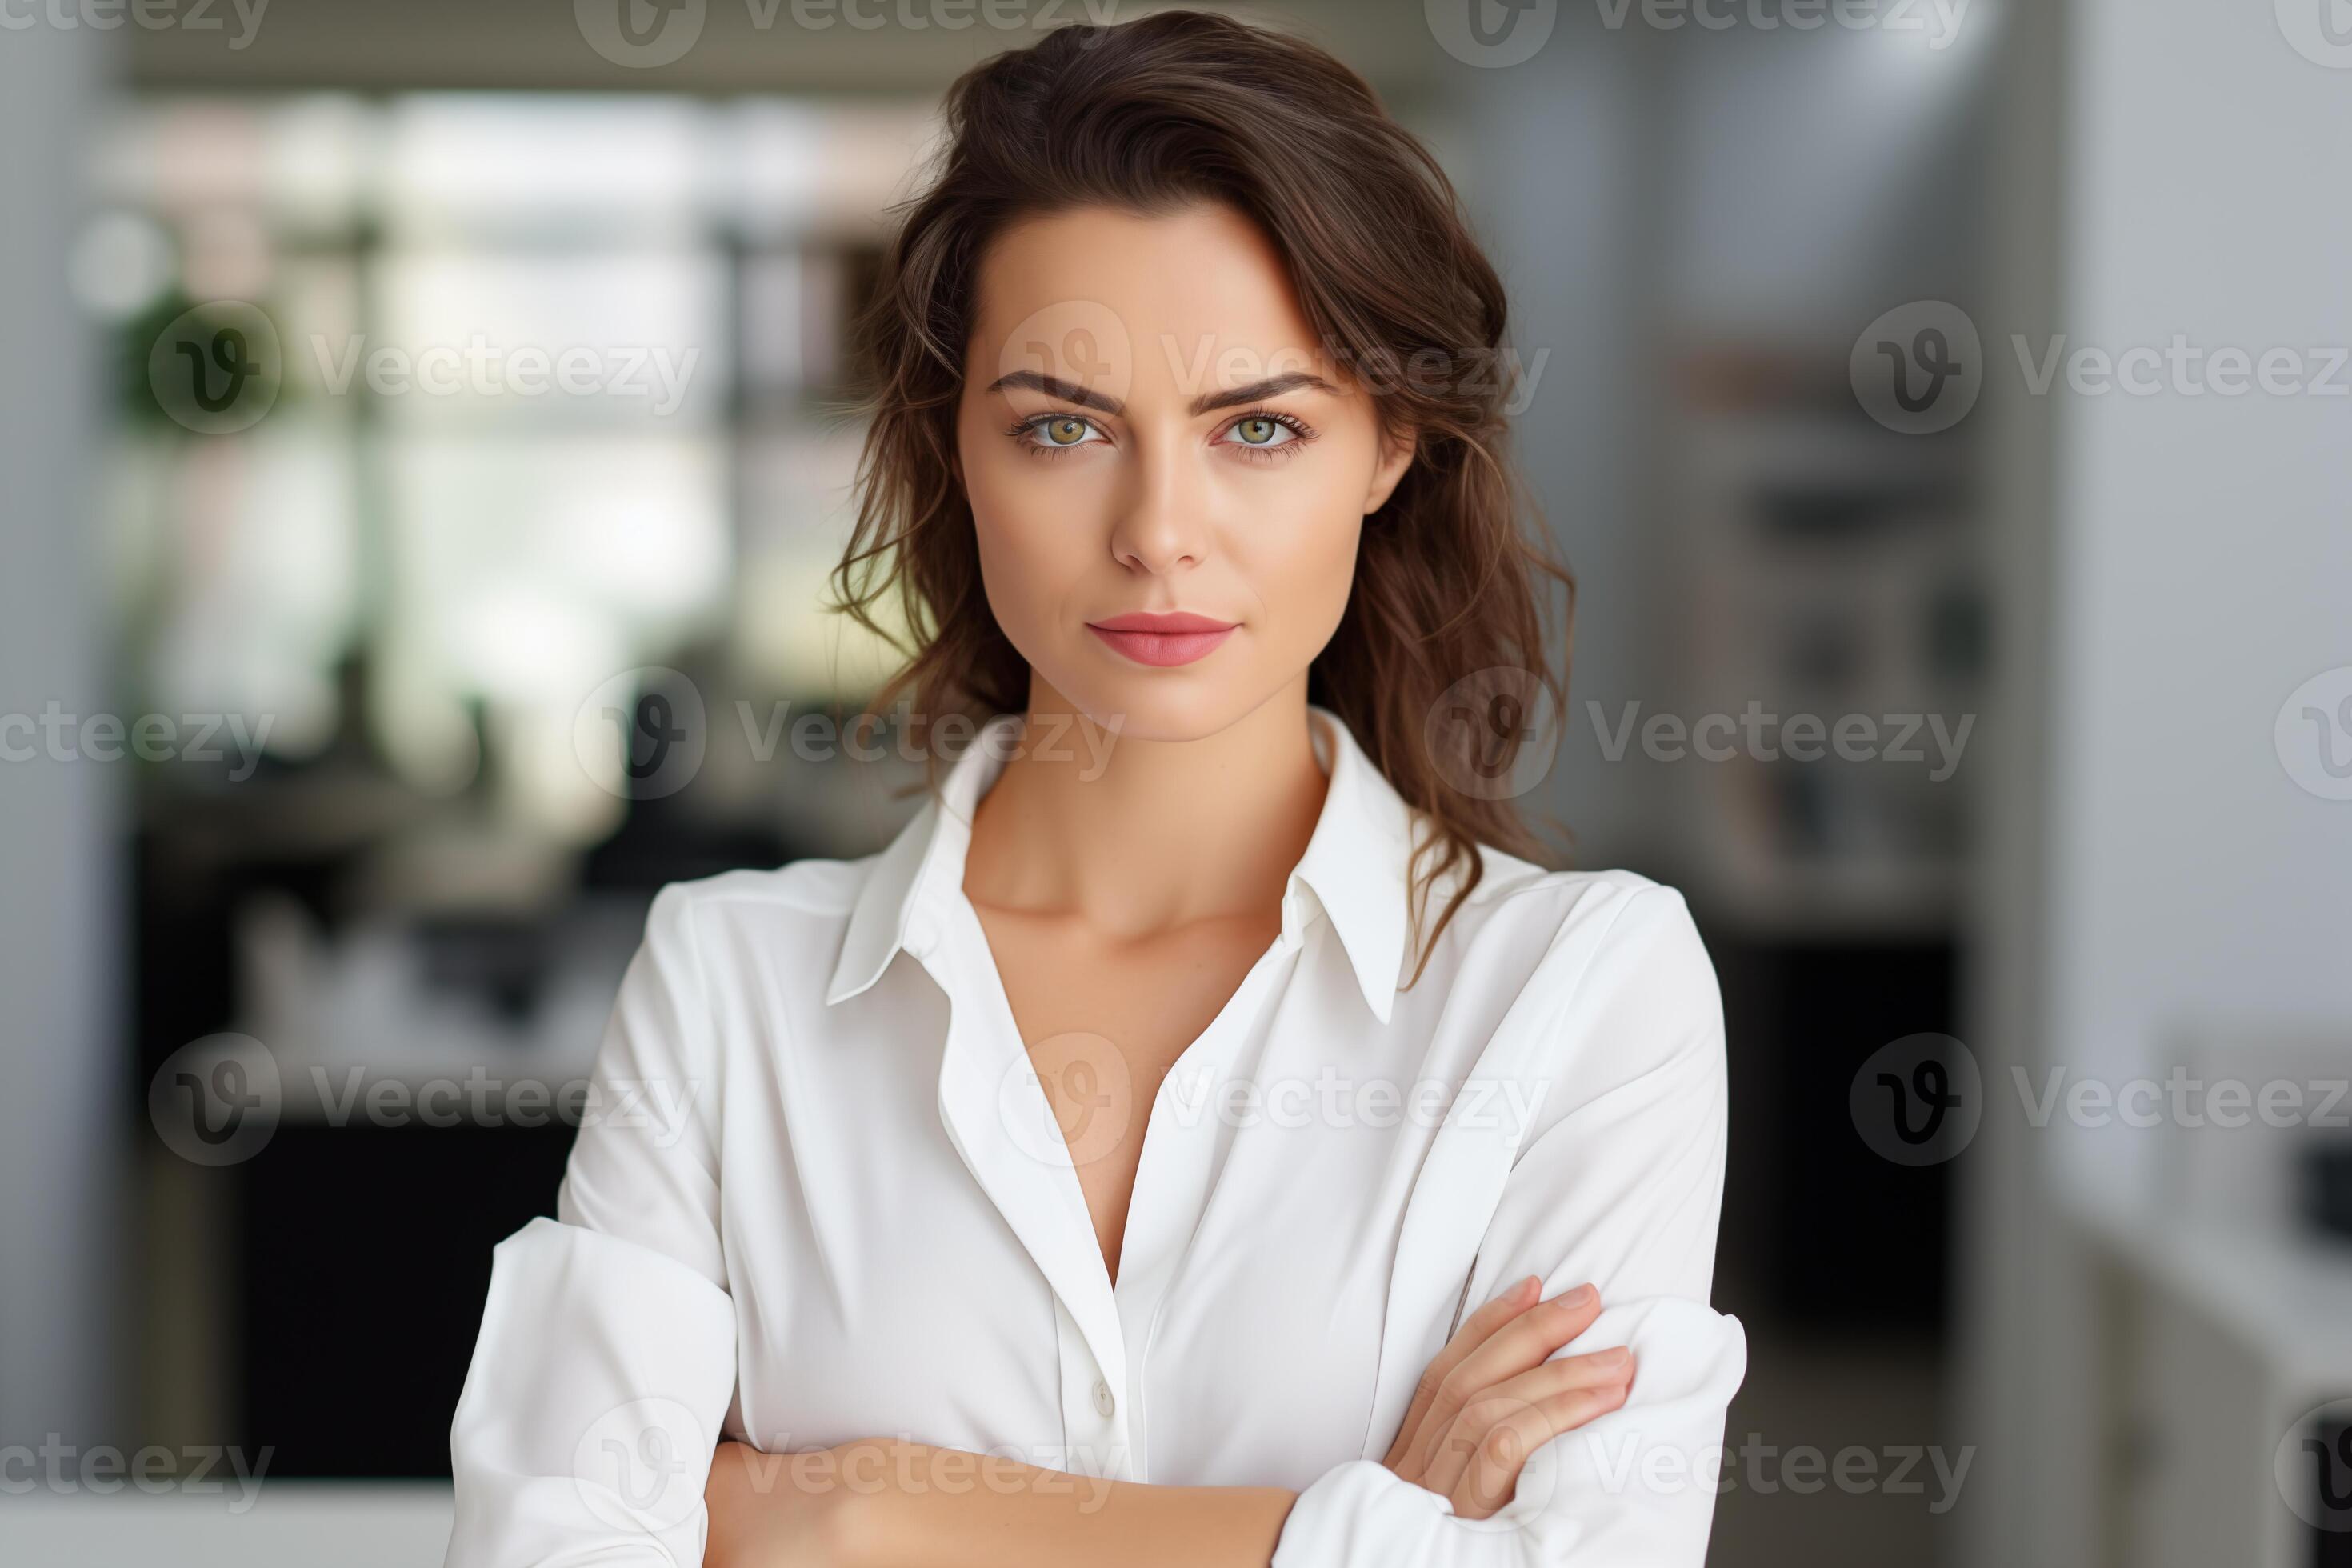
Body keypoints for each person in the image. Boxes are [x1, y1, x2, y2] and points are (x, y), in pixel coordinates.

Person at [445, 12, 1746, 1566]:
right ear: (956, 446)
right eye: (1063, 427)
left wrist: (854, 1510)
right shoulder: (729, 988)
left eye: (1258, 427)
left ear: (1391, 446)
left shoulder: (1583, 993)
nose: (1158, 531)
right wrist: (1360, 1528)